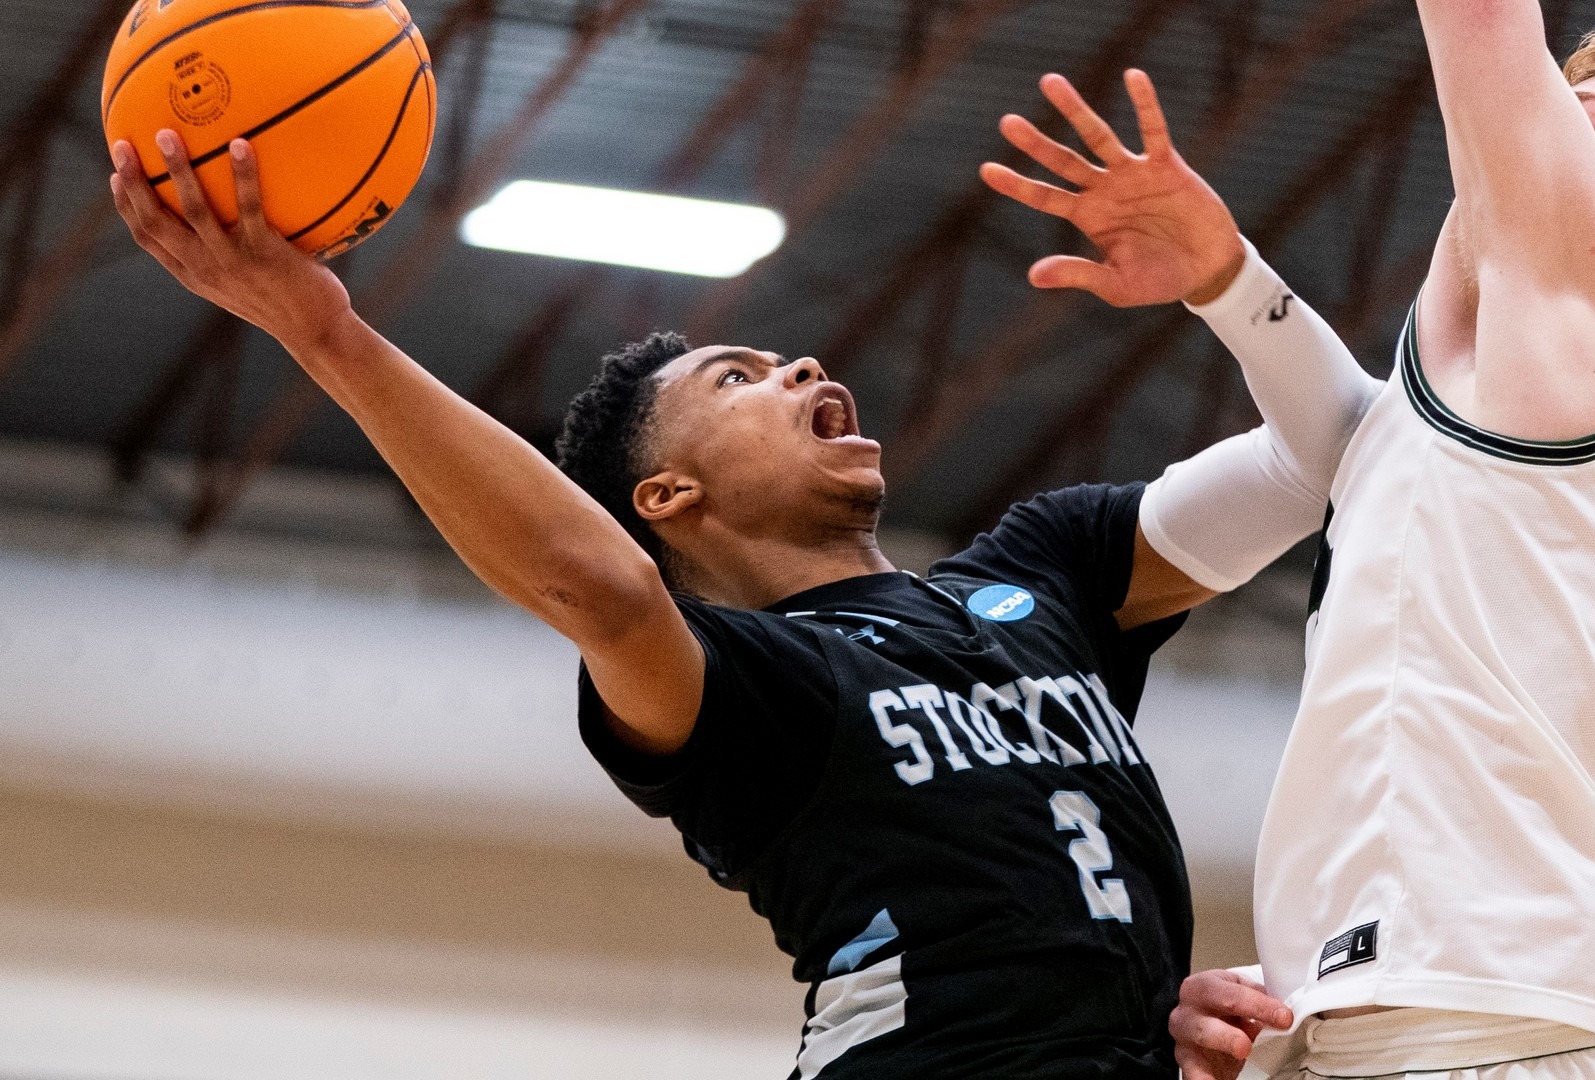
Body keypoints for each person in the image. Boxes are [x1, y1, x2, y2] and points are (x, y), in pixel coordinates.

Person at [103, 64, 1357, 1076]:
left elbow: (1326, 452)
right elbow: (599, 589)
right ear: (667, 499)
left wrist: (1225, 279)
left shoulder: (1048, 575)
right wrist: (322, 329)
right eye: (737, 379)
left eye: (789, 361)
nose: (802, 371)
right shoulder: (749, 692)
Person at [987, 8, 1595, 1080]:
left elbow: (1482, 28)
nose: (1514, 131)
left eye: (1576, 119)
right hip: (1406, 1019)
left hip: (1494, 1026)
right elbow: (1337, 427)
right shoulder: (1467, 414)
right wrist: (1225, 278)